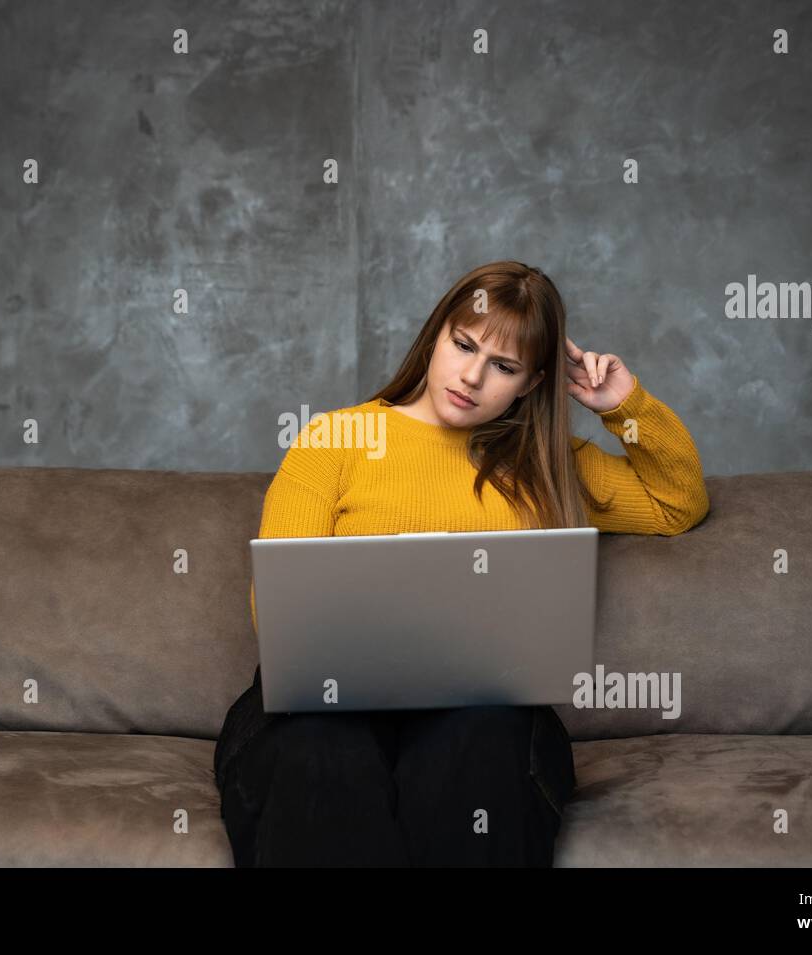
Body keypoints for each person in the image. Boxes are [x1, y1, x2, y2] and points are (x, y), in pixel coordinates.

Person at [214, 260, 710, 866]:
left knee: (480, 739)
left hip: (480, 721)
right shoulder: (332, 442)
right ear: (436, 335)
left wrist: (623, 406)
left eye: (503, 367)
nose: (472, 376)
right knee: (325, 748)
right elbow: (282, 615)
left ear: (532, 383)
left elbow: (676, 503)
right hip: (319, 713)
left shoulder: (549, 463)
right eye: (463, 345)